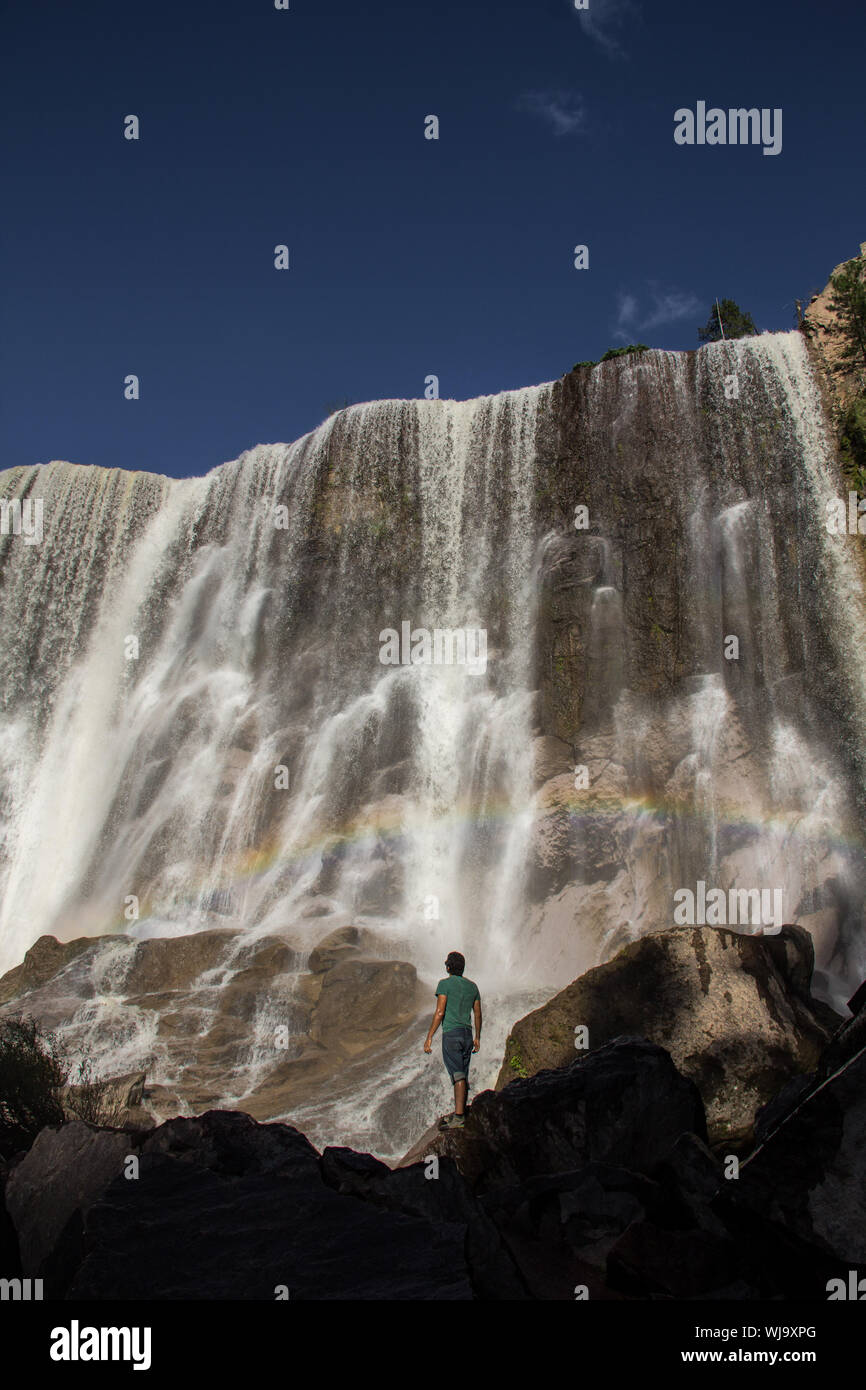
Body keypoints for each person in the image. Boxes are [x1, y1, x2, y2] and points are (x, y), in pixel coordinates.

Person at [423, 951, 482, 1130]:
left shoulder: (444, 984)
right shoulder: (473, 987)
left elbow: (440, 1012)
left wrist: (429, 1037)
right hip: (467, 1034)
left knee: (457, 1075)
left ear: (448, 967)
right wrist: (477, 1037)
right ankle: (461, 1112)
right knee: (462, 1073)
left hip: (452, 1034)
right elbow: (478, 1013)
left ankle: (458, 1117)